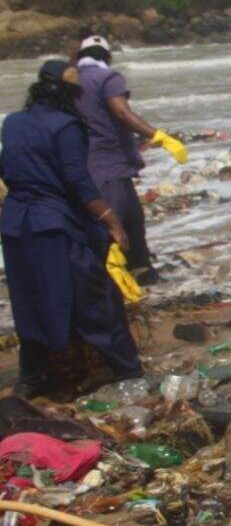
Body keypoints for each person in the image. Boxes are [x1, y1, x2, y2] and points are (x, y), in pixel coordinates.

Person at [0, 61, 143, 397]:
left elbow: (8, 169)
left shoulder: (13, 122)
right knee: (93, 298)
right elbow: (78, 181)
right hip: (54, 224)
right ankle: (128, 369)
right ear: (68, 93)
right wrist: (112, 221)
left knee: (31, 302)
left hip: (16, 227)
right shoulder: (66, 126)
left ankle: (32, 377)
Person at [74, 34, 188, 284]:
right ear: (107, 57)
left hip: (86, 165)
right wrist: (159, 136)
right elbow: (123, 113)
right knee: (116, 226)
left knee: (133, 222)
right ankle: (114, 284)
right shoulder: (108, 77)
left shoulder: (71, 82)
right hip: (108, 167)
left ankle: (143, 276)